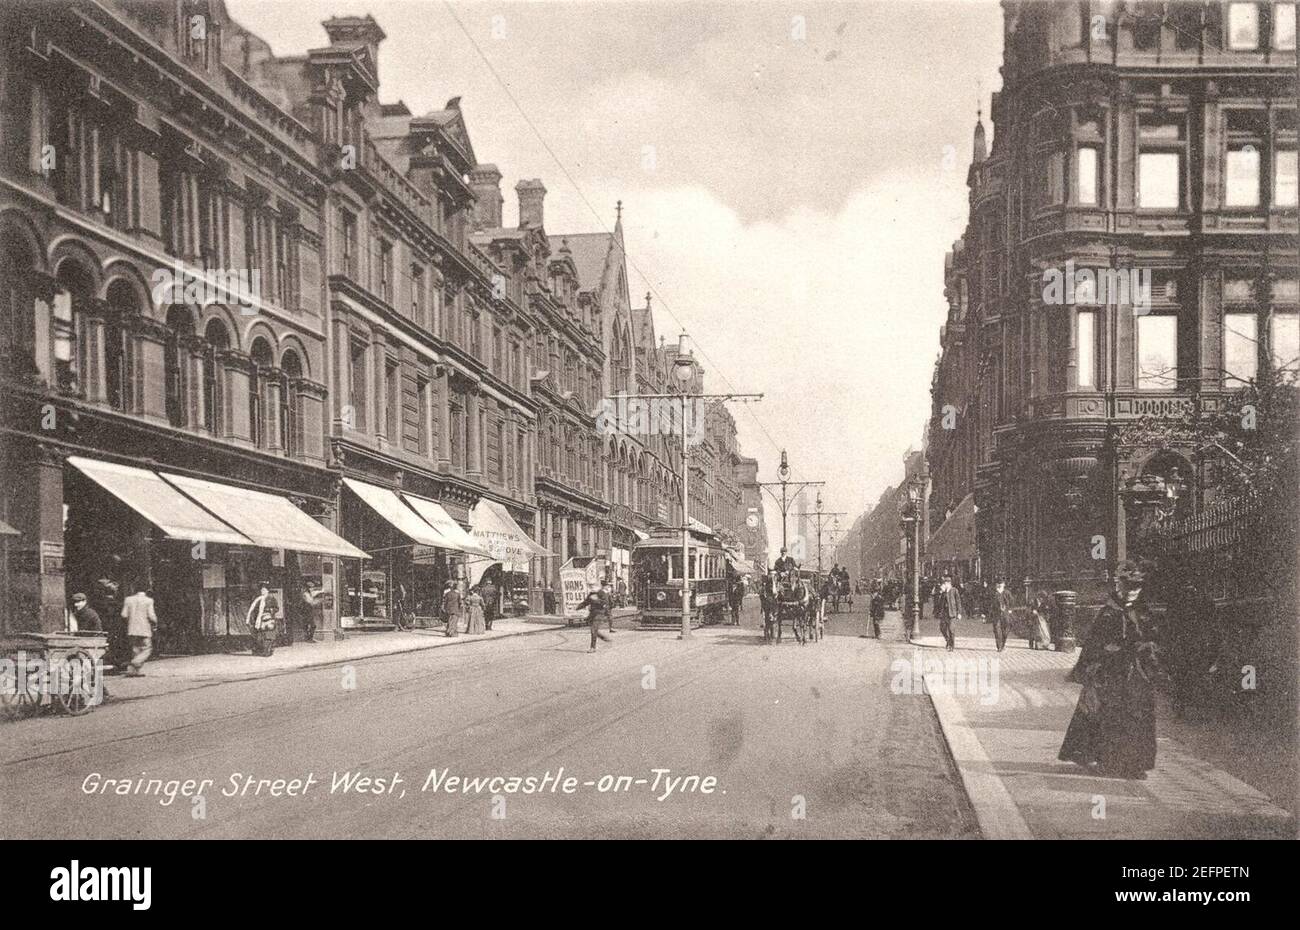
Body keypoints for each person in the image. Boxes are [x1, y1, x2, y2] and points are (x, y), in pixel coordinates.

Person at [1058, 562, 1158, 779]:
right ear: (1119, 584)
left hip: (1137, 673)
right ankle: (1109, 762)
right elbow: (1093, 643)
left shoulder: (1143, 610)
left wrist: (1148, 647)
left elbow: (1154, 637)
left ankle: (1135, 765)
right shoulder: (1108, 612)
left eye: (1137, 585)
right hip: (1111, 673)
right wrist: (1103, 656)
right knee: (1110, 718)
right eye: (1129, 585)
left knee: (1137, 717)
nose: (1133, 590)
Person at [120, 583, 157, 676]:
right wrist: (155, 623)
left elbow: (124, 614)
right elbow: (151, 615)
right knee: (147, 649)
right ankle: (135, 662)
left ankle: (134, 671)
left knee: (135, 649)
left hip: (132, 628)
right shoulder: (148, 600)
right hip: (144, 628)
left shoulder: (128, 600)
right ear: (146, 590)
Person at [576, 581, 614, 653]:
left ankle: (593, 647)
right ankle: (602, 637)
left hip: (600, 613)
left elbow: (605, 603)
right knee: (593, 628)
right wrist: (577, 607)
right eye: (590, 586)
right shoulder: (591, 594)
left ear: (597, 586)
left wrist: (596, 600)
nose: (591, 587)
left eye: (593, 586)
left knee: (593, 628)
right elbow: (586, 602)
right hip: (592, 613)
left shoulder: (602, 593)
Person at [935, 575, 962, 651]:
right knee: (942, 628)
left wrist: (959, 613)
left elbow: (958, 602)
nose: (944, 585)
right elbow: (939, 603)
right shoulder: (943, 592)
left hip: (952, 613)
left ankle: (951, 645)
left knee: (951, 629)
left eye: (945, 583)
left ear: (949, 583)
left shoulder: (954, 590)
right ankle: (948, 640)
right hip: (944, 613)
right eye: (944, 583)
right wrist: (941, 593)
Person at [986, 577, 1013, 651]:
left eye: (1001, 584)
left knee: (1005, 630)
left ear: (1004, 584)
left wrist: (1010, 609)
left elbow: (1011, 602)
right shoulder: (993, 593)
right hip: (996, 614)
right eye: (998, 584)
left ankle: (1003, 644)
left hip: (1005, 614)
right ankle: (999, 646)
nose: (1000, 585)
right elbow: (988, 603)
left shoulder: (1007, 593)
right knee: (997, 630)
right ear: (996, 584)